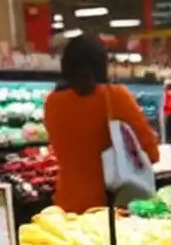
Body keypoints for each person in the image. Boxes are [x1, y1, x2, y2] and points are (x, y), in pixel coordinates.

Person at [43, 35, 160, 213]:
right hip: (109, 208)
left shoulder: (52, 102)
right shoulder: (114, 97)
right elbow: (150, 154)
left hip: (66, 207)